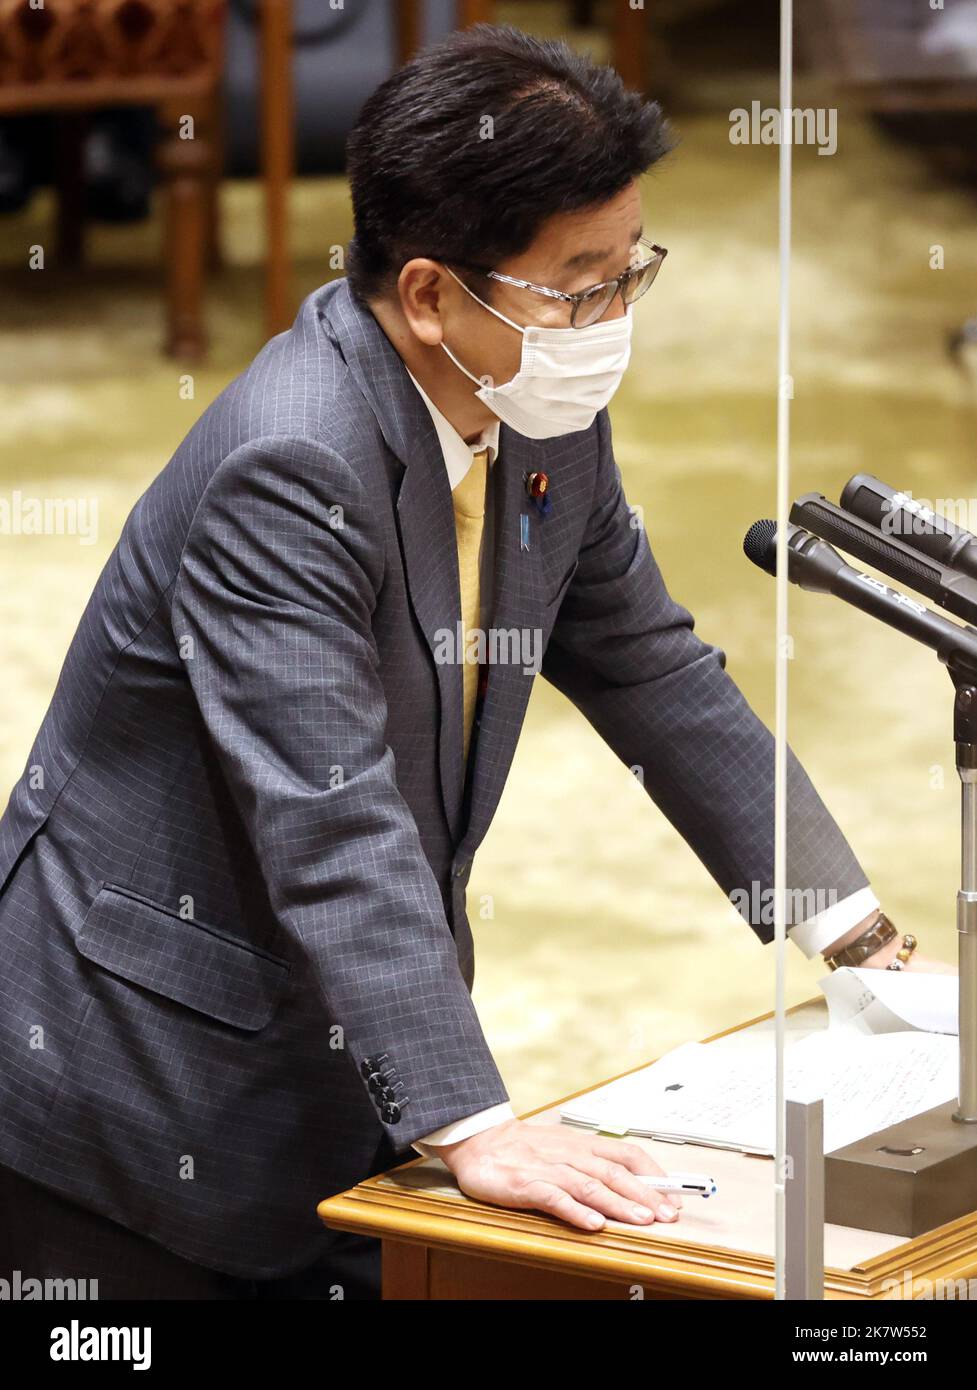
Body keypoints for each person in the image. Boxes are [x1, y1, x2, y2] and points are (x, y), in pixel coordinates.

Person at [0, 24, 941, 1301]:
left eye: (628, 275)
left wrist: (857, 939)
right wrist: (474, 1122)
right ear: (435, 293)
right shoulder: (287, 468)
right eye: (579, 286)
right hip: (142, 1068)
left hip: (342, 1035)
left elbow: (653, 672)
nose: (609, 323)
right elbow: (333, 821)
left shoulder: (539, 410)